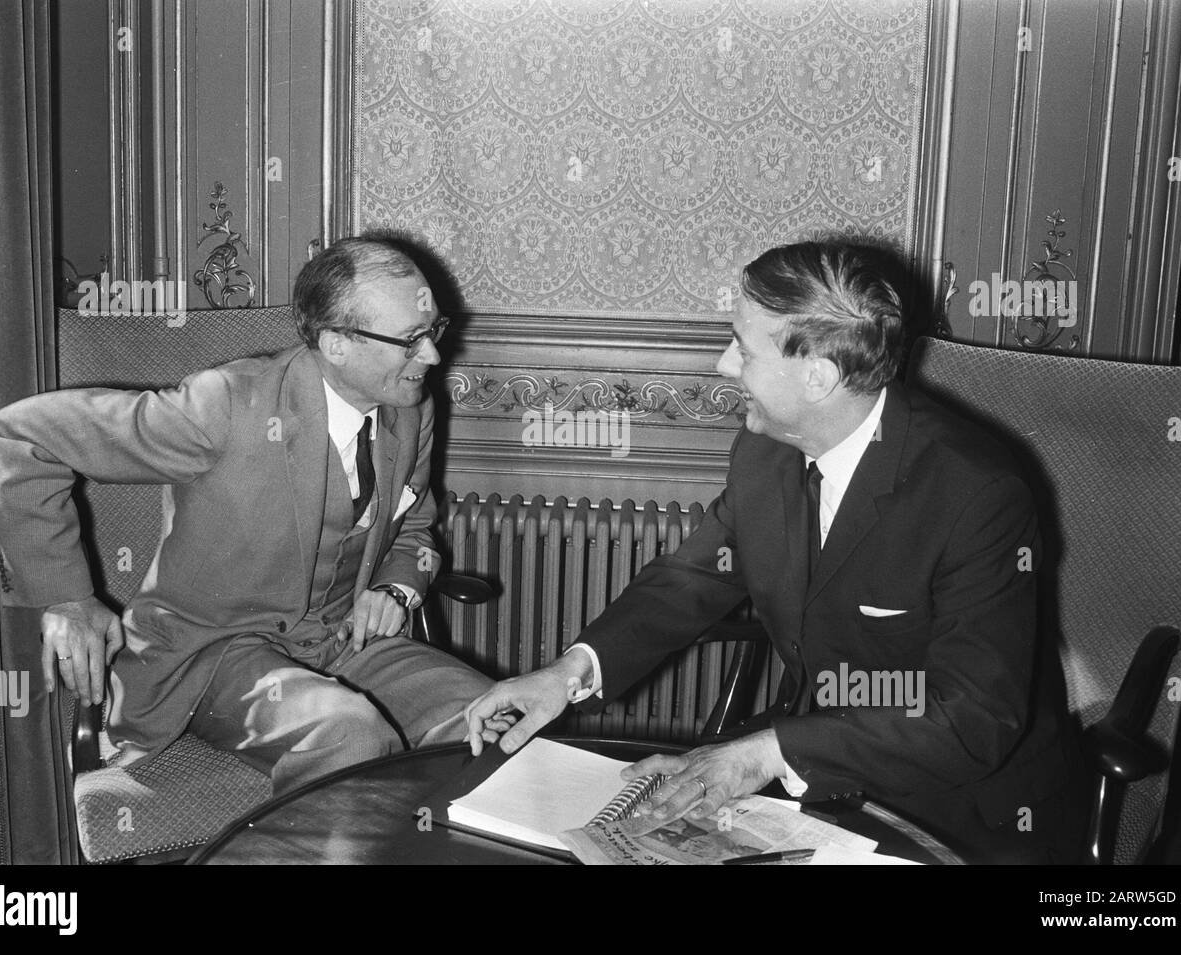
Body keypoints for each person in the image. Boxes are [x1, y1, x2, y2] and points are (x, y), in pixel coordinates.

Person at [466, 241, 1088, 864]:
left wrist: (765, 752)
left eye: (743, 347)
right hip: (818, 778)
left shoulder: (976, 494)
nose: (722, 366)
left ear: (817, 375)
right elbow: (691, 578)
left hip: (963, 810)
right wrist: (567, 674)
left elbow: (971, 721)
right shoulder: (765, 451)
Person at [0, 237, 508, 796]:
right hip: (216, 655)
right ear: (336, 344)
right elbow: (24, 435)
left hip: (343, 644)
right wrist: (66, 595)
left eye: (433, 331)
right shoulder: (225, 407)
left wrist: (397, 589)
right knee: (350, 737)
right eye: (409, 341)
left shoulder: (411, 409)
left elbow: (414, 524)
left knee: (502, 720)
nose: (431, 357)